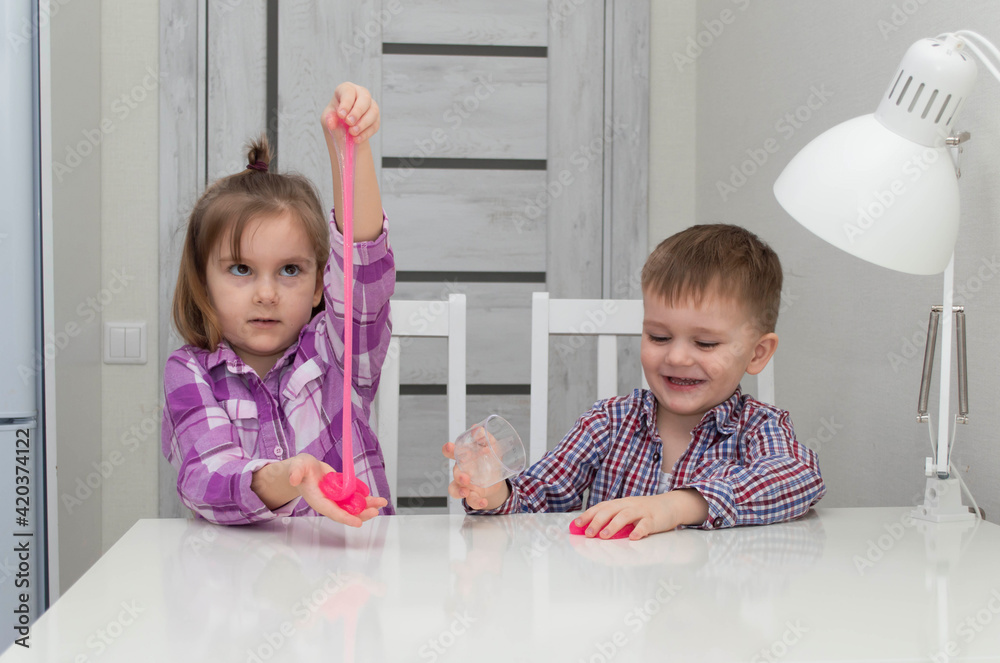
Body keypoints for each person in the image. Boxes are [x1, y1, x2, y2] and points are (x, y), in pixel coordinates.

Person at [444, 224, 825, 539]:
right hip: (614, 599)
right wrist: (493, 488)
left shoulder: (759, 427)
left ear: (757, 353)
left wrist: (679, 505)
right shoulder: (608, 422)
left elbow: (799, 479)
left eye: (705, 343)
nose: (676, 357)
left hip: (712, 600)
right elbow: (536, 499)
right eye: (659, 337)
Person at [162, 82, 392, 526]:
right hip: (240, 570)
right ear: (203, 283)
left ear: (321, 284)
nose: (266, 294)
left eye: (289, 270)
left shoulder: (337, 353)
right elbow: (206, 478)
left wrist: (350, 147)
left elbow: (363, 268)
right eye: (241, 269)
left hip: (355, 563)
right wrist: (289, 477)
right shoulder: (188, 371)